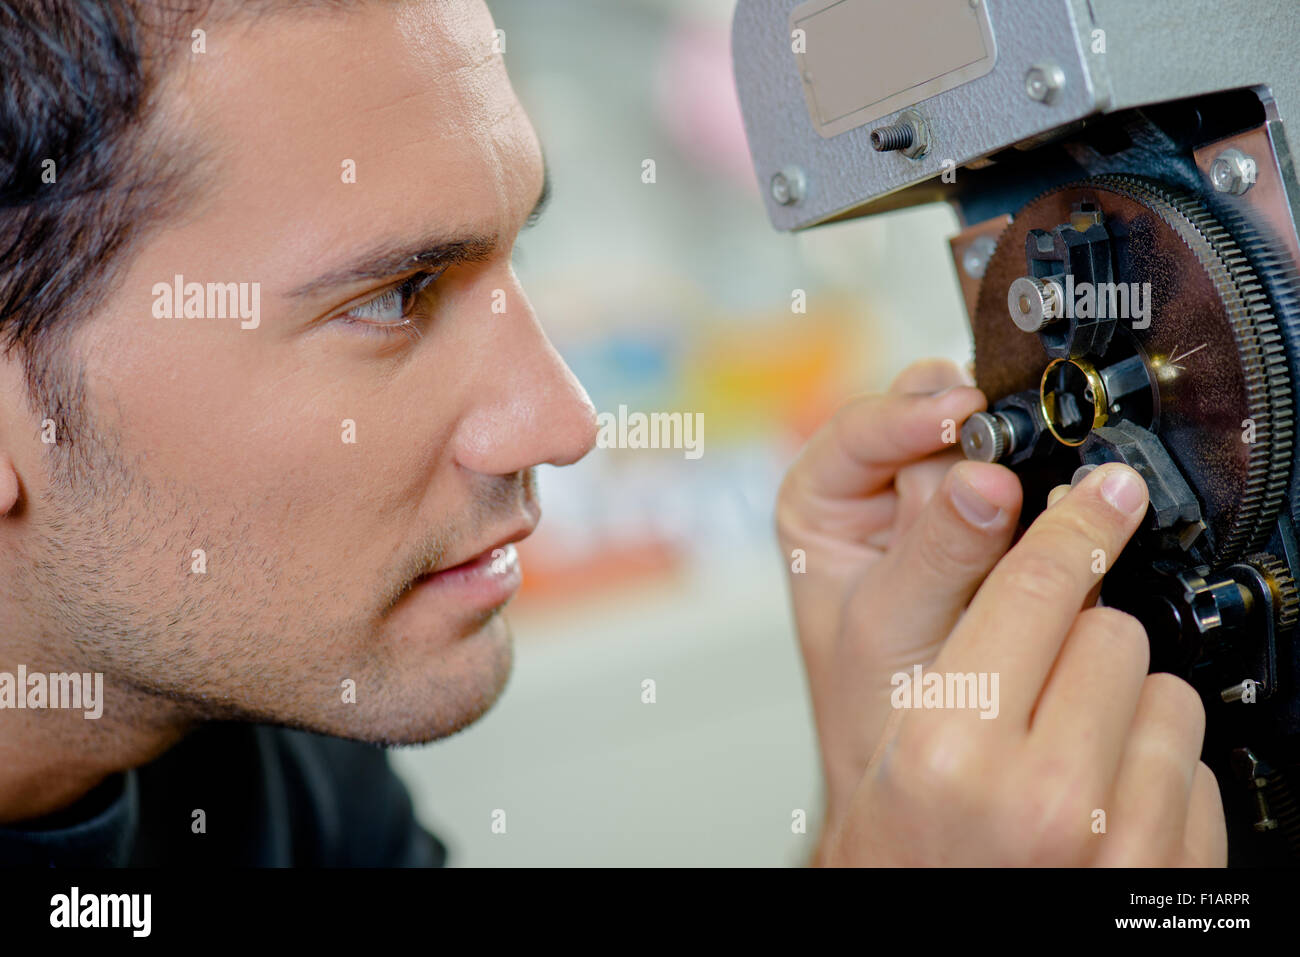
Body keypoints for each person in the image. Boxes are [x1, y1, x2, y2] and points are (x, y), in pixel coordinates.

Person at [0, 0, 1224, 867]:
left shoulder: (266, 745)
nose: (564, 423)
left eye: (512, 248)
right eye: (393, 297)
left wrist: (869, 799)